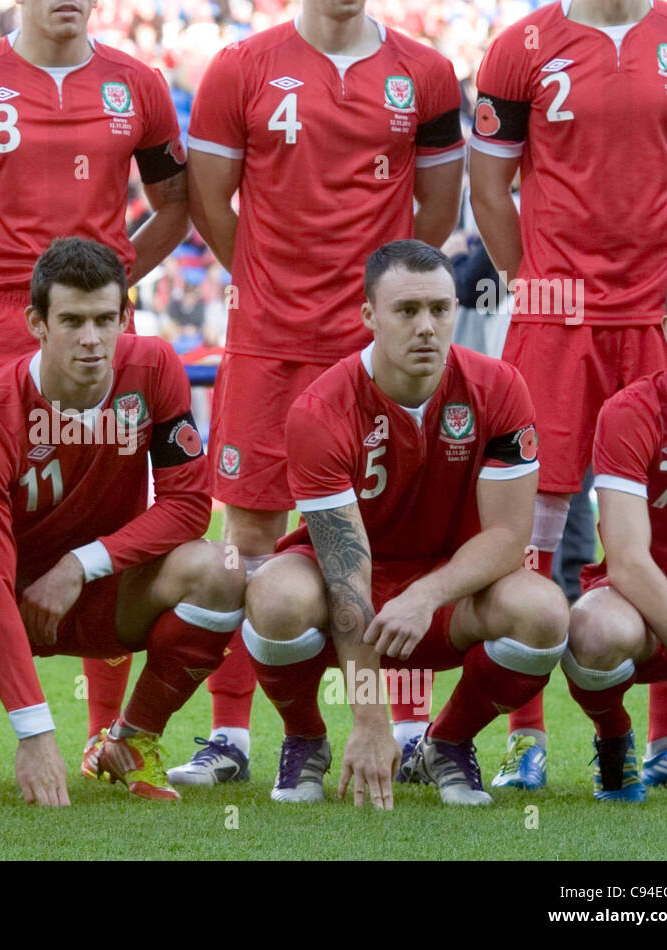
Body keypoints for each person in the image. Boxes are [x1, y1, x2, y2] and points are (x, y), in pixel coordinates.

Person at [0, 0, 192, 769]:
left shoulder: (138, 84)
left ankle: (107, 733)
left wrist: (112, 288)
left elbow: (177, 203)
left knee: (112, 507)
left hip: (96, 320)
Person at [170, 0, 464, 785]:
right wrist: (269, 288)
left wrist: (384, 307)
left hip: (375, 352)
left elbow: (436, 211)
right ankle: (233, 737)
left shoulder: (425, 72)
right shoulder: (241, 66)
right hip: (268, 345)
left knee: (387, 540)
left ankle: (405, 731)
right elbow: (207, 201)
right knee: (250, 543)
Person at [470, 0, 667, 789]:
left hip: (658, 319)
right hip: (557, 324)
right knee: (530, 528)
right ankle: (525, 737)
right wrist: (539, 287)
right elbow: (489, 190)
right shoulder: (519, 45)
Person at [0, 238, 244, 805]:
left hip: (104, 593)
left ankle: (132, 740)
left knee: (222, 567)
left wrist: (81, 564)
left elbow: (188, 507)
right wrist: (35, 734)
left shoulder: (153, 367)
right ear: (37, 323)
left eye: (105, 320)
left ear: (125, 317)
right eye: (73, 320)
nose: (91, 338)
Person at [242, 240, 567, 807]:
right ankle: (306, 738)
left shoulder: (500, 387)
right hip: (345, 585)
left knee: (543, 612)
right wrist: (370, 719)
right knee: (273, 598)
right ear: (369, 316)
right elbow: (346, 571)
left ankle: (447, 742)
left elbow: (509, 538)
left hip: (451, 588)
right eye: (407, 311)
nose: (427, 327)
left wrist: (425, 595)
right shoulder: (320, 411)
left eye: (440, 310)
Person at [563, 257, 667, 800]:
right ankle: (615, 741)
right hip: (646, 604)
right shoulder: (630, 411)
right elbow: (630, 559)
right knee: (590, 631)